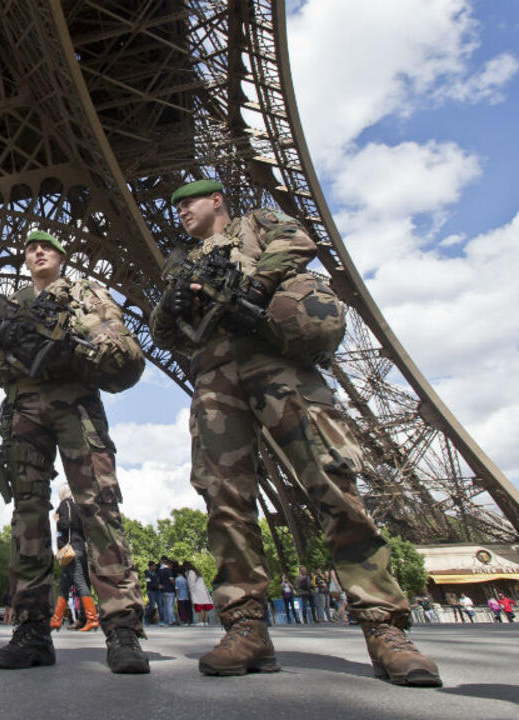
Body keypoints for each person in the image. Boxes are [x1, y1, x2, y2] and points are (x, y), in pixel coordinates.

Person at [150, 180, 441, 686]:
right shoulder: (182, 262)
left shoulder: (256, 224)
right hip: (216, 380)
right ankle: (245, 629)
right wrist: (172, 305)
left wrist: (257, 286)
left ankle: (384, 627)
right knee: (225, 502)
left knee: (331, 482)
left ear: (217, 199)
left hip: (277, 363)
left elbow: (300, 240)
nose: (180, 212)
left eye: (189, 202)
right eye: (175, 206)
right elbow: (162, 329)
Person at [0, 229, 149, 674]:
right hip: (23, 409)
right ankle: (30, 629)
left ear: (62, 255)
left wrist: (72, 334)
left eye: (46, 246)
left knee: (99, 507)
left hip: (76, 404)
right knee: (27, 515)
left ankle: (122, 629)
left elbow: (118, 344)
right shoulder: (9, 302)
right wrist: (3, 328)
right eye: (30, 248)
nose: (38, 251)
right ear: (24, 259)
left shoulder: (85, 293)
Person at [51, 487, 98, 632]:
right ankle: (56, 620)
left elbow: (66, 524)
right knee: (65, 585)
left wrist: (57, 521)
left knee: (79, 582)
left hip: (70, 550)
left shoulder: (65, 505)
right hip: (81, 549)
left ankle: (92, 619)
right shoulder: (80, 507)